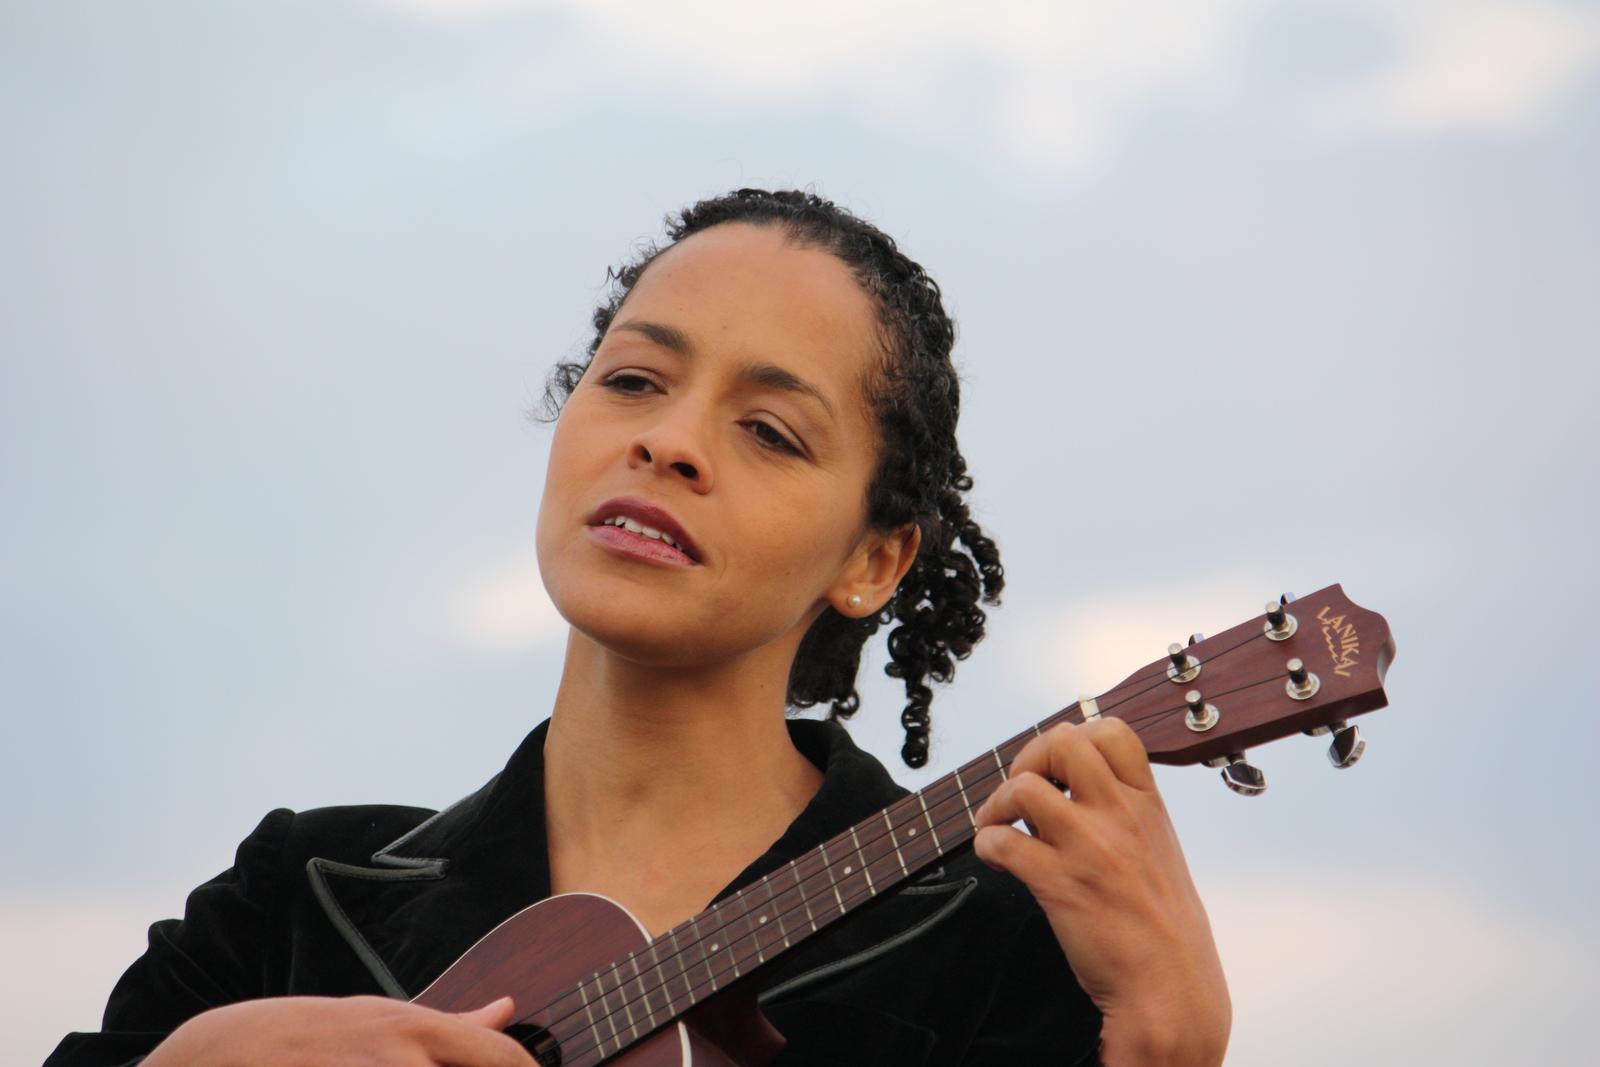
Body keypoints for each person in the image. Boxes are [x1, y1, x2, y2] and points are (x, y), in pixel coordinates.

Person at [46, 189, 1230, 1066]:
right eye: (631, 380)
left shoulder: (994, 949)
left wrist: (1168, 1052)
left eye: (769, 429)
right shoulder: (295, 897)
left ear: (874, 558)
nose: (667, 440)